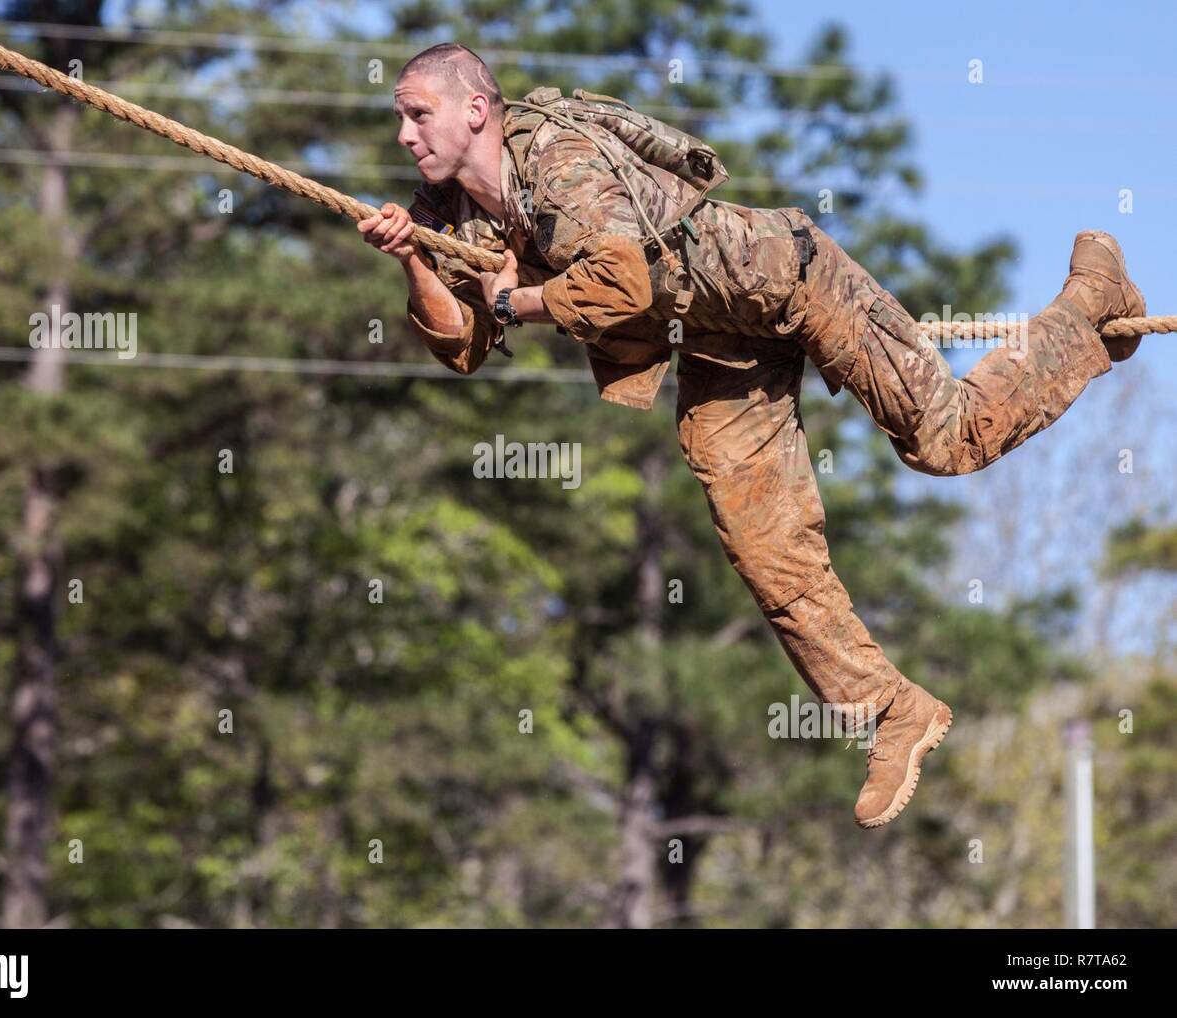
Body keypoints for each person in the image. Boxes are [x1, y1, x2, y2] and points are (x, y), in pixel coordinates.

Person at [358, 43, 1147, 828]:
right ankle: (891, 710)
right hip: (719, 342)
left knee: (944, 440)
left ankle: (1085, 305)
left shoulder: (555, 160)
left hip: (787, 279)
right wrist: (413, 262)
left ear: (475, 110)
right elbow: (460, 347)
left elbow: (621, 281)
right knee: (759, 537)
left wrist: (515, 302)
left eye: (417, 113)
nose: (404, 133)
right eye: (399, 117)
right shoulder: (446, 214)